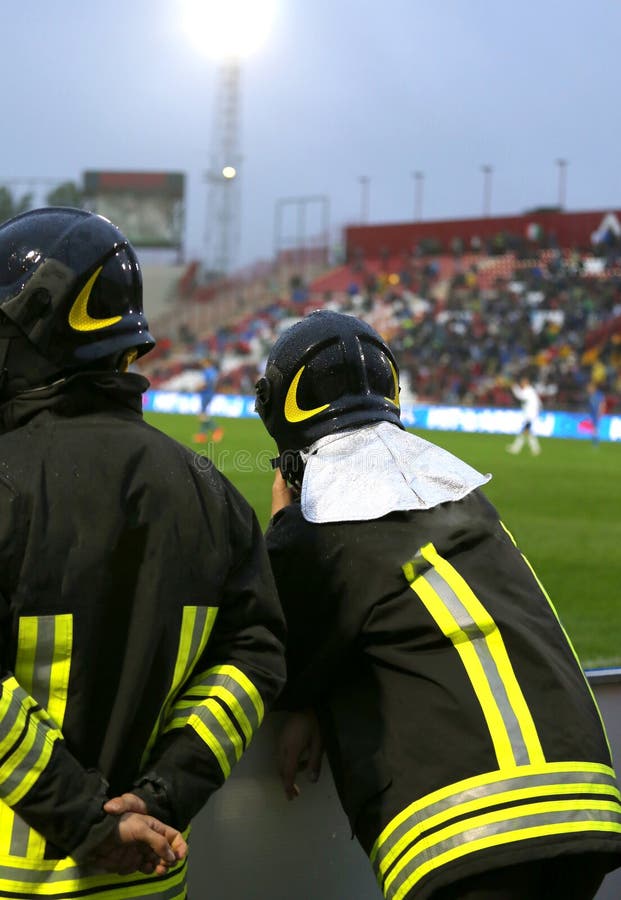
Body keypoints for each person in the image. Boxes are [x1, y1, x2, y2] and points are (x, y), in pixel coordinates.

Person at [254, 310, 621, 900]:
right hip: (587, 803)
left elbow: (277, 653)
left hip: (464, 828)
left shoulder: (315, 529)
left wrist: (283, 526)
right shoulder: (469, 501)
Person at [0, 208, 286, 899]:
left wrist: (87, 822)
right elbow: (254, 663)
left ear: (39, 332)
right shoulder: (214, 496)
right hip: (152, 878)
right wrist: (161, 797)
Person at [506, 374, 542, 455]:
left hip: (530, 415)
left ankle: (516, 448)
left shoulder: (528, 390)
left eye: (522, 382)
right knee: (528, 432)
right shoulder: (530, 390)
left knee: (524, 431)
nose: (521, 384)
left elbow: (520, 396)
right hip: (530, 414)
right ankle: (535, 449)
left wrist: (514, 387)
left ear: (526, 382)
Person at [193, 357, 224, 443]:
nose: (202, 364)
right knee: (203, 415)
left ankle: (216, 429)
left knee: (202, 415)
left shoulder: (208, 371)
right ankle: (202, 435)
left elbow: (209, 382)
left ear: (208, 362)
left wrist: (199, 387)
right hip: (208, 394)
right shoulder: (213, 371)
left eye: (204, 362)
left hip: (206, 394)